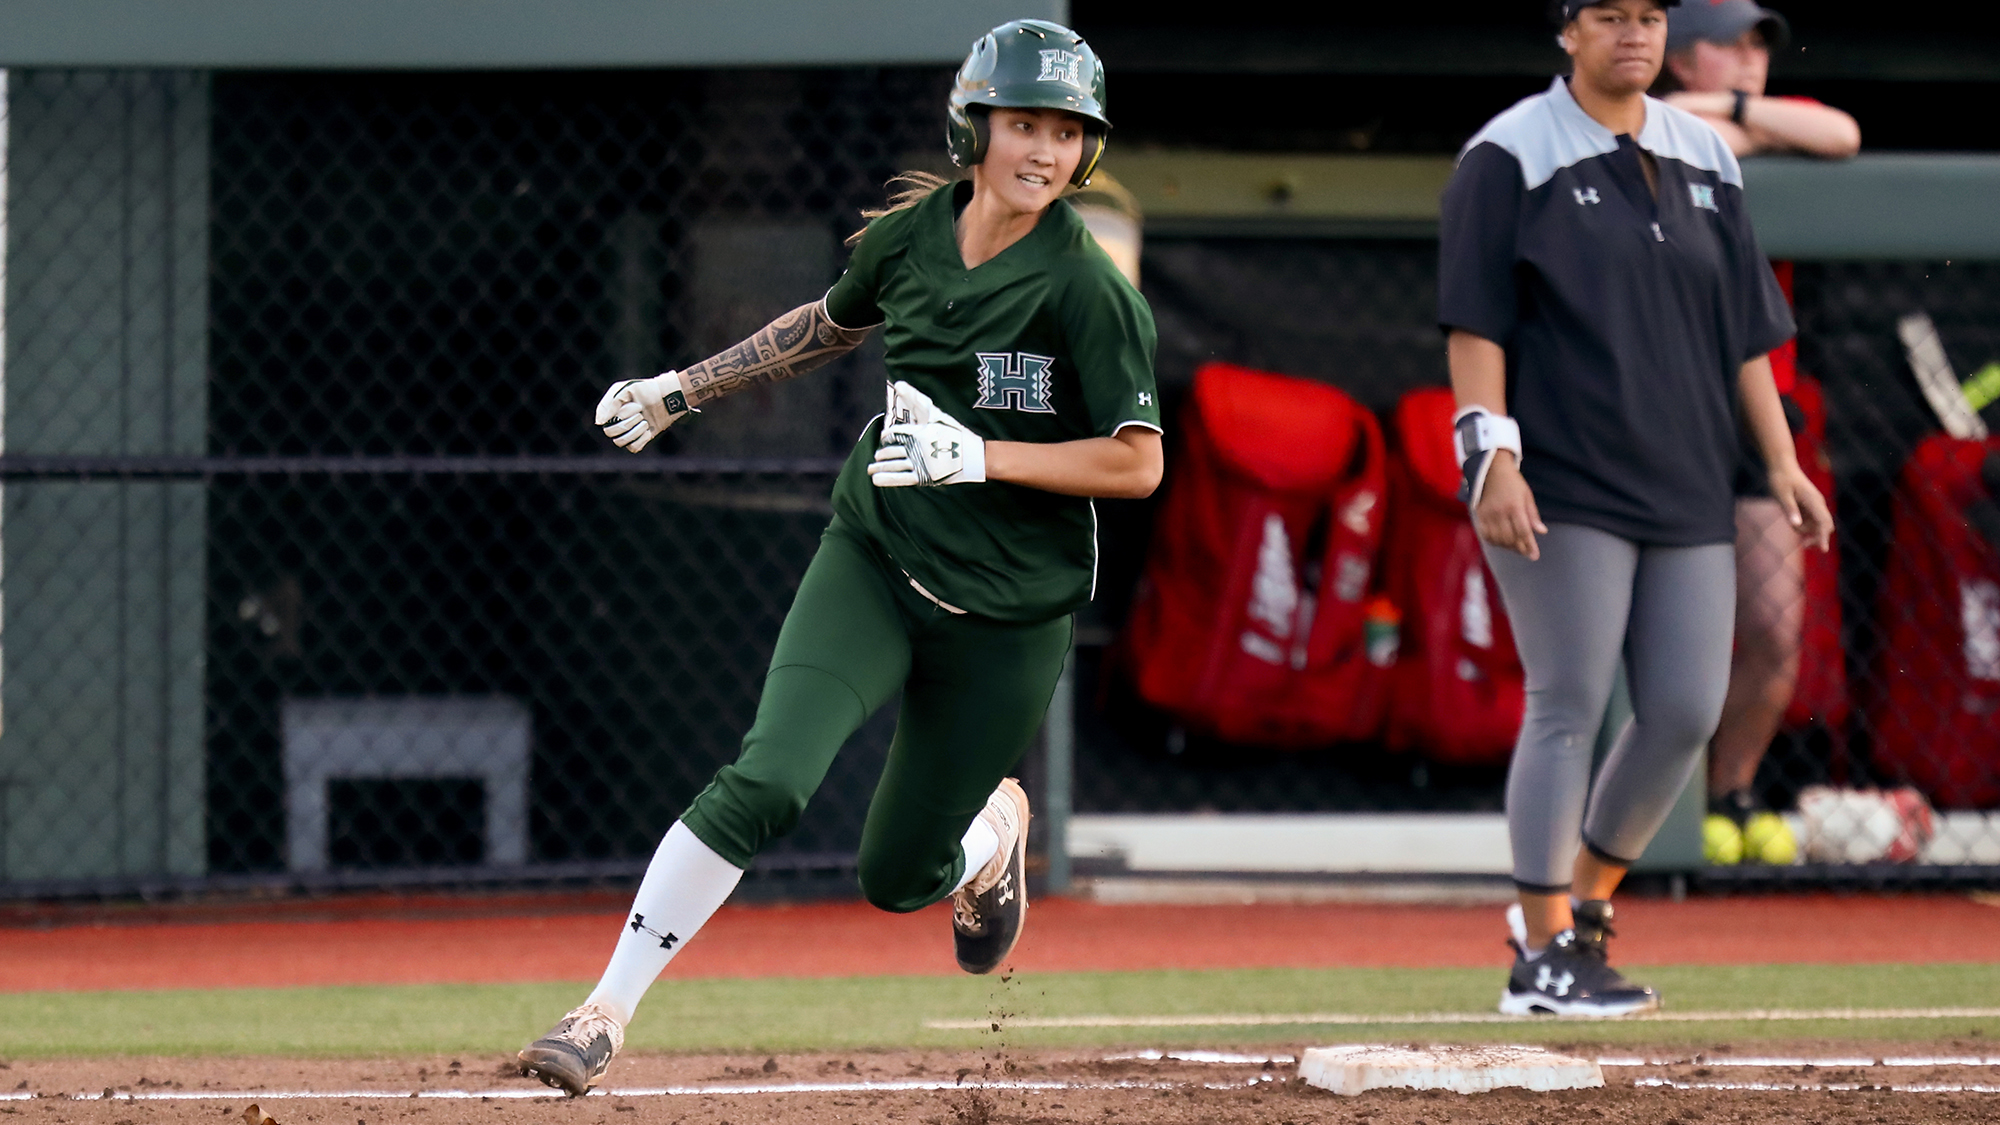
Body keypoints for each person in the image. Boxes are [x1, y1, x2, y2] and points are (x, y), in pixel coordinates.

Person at [511, 19, 1162, 1096]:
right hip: (877, 557)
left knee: (896, 876)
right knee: (766, 778)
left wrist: (980, 456)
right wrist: (682, 390)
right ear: (975, 127)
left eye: (1064, 131)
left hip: (1004, 619)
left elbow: (1138, 464)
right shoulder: (909, 239)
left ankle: (992, 835)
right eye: (1023, 124)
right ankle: (601, 1013)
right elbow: (826, 323)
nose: (1043, 150)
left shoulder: (1089, 289)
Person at [1437, 0, 1832, 1016]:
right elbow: (1475, 324)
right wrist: (1491, 458)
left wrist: (1780, 461)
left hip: (1690, 475)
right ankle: (1539, 953)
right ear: (1565, 32)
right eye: (1608, 16)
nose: (1633, 35)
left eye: (1649, 16)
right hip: (1561, 474)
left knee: (1685, 710)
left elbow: (1746, 333)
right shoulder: (1506, 153)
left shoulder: (1706, 153)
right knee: (1565, 699)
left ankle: (1580, 910)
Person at [1655, 0, 1861, 866]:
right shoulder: (1648, 121)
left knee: (1775, 626)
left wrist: (1735, 110)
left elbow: (1841, 135)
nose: (1749, 60)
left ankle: (1731, 791)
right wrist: (1731, 124)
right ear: (1678, 57)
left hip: (1761, 409)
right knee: (1671, 632)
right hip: (1663, 406)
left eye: (1758, 47)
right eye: (1727, 47)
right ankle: (1660, 809)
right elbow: (1671, 134)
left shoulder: (1757, 113)